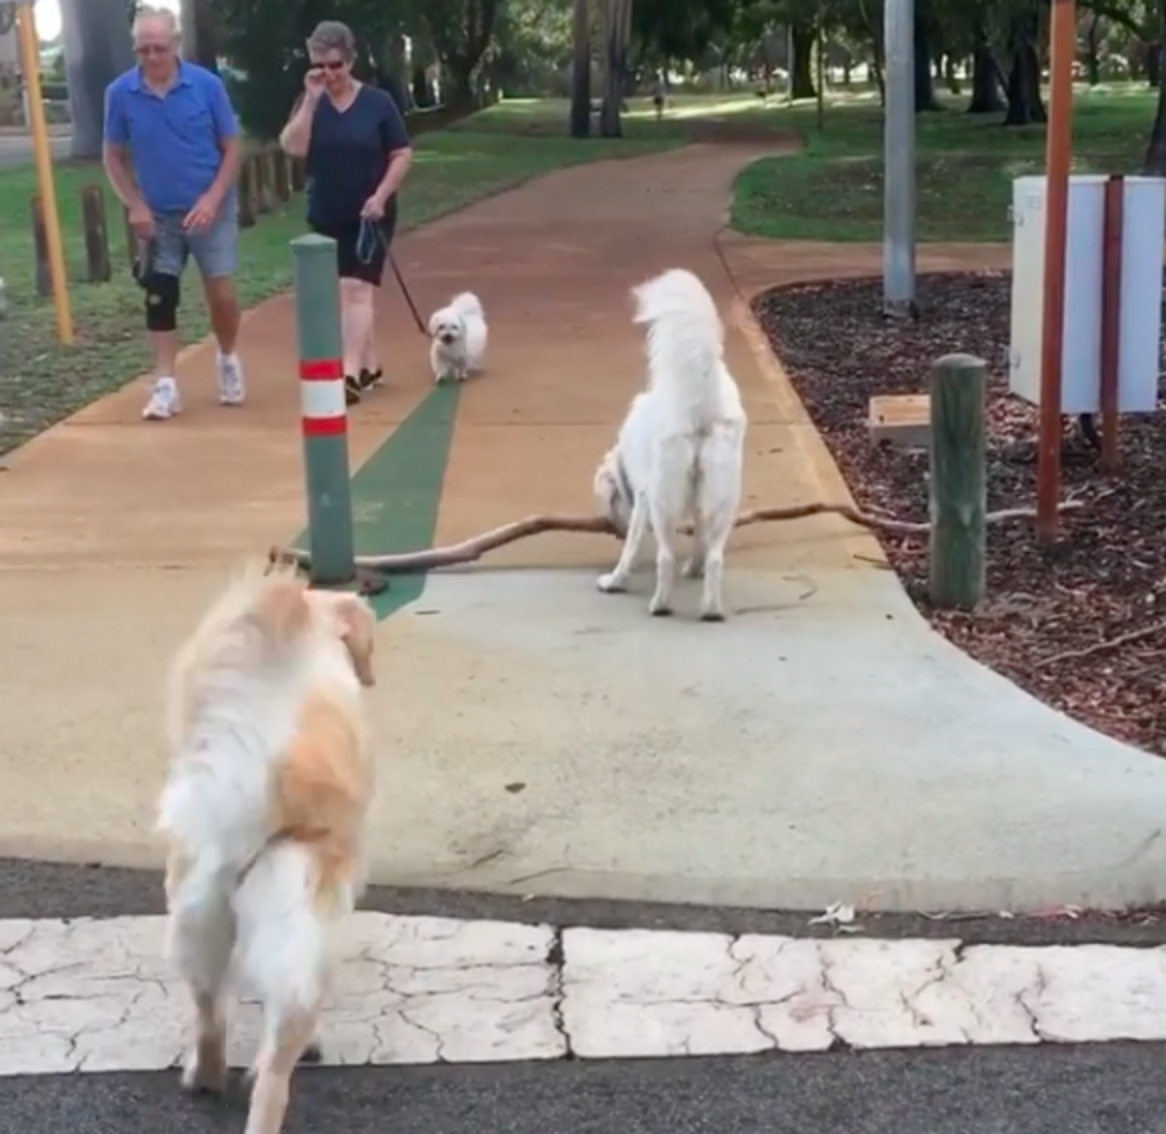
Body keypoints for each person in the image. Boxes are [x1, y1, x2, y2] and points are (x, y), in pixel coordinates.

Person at [102, 5, 245, 422]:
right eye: (142, 49)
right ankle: (165, 383)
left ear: (176, 44)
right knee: (159, 293)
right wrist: (135, 205)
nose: (151, 57)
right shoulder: (120, 93)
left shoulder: (207, 86)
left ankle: (228, 356)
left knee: (221, 293)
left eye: (159, 48)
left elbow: (233, 148)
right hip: (158, 214)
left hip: (209, 206)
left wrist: (212, 200)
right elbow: (112, 156)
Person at [278, 21, 413, 405]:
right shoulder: (311, 101)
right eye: (320, 66)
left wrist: (381, 196)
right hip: (326, 210)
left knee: (357, 289)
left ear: (350, 61)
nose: (329, 73)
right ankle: (370, 362)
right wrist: (310, 100)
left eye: (335, 65)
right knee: (344, 292)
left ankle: (348, 373)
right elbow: (293, 147)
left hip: (372, 213)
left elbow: (401, 153)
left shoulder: (378, 103)